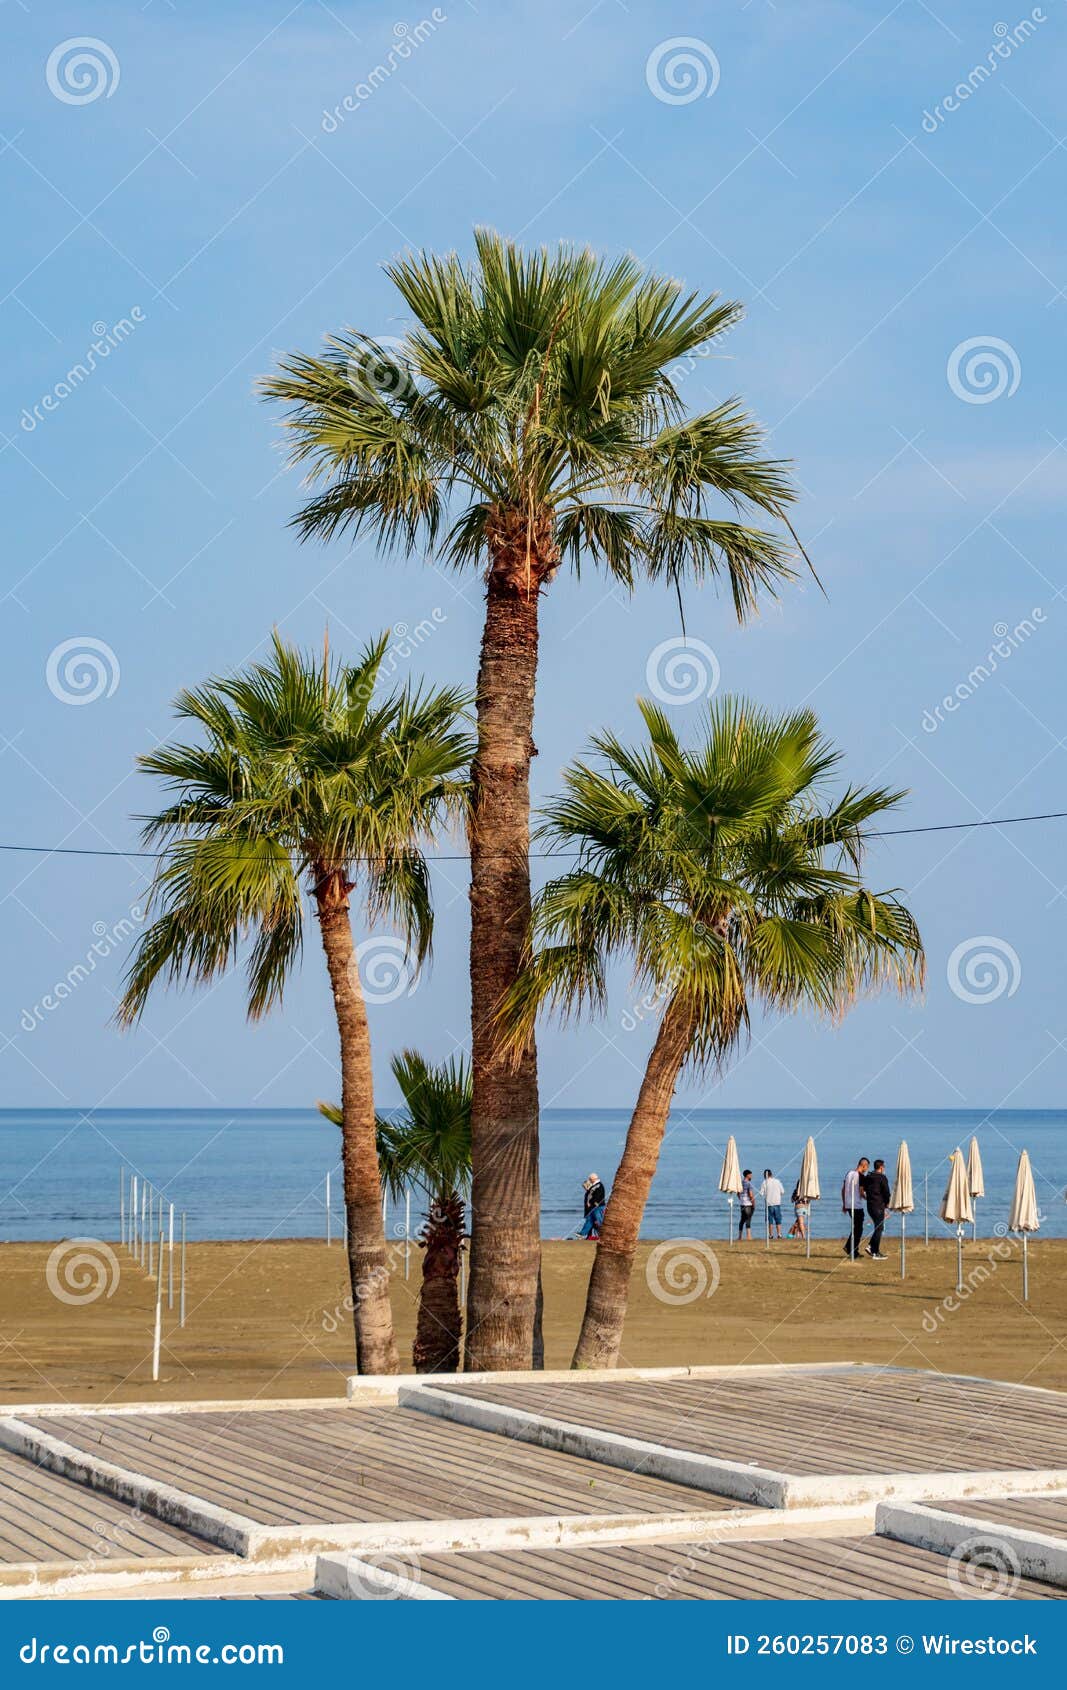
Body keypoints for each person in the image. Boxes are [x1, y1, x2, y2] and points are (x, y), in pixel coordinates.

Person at [842, 1157, 869, 1258]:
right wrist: (868, 1199)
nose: (866, 1169)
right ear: (864, 1165)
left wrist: (844, 1204)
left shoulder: (849, 1173)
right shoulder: (860, 1176)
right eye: (867, 1167)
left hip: (848, 1204)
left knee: (856, 1227)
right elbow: (862, 1192)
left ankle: (850, 1247)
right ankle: (852, 1249)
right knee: (858, 1229)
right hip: (856, 1205)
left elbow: (843, 1189)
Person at [864, 1158, 891, 1260]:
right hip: (878, 1206)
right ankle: (874, 1251)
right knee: (879, 1228)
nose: (884, 1169)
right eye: (883, 1167)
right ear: (881, 1167)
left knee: (878, 1227)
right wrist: (888, 1204)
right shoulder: (882, 1178)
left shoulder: (869, 1177)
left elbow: (866, 1189)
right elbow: (886, 1192)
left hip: (870, 1206)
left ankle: (871, 1247)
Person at [578, 1173, 606, 1240]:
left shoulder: (599, 1185)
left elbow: (598, 1195)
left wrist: (594, 1203)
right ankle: (582, 1233)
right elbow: (590, 1195)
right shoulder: (594, 1185)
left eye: (590, 1179)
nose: (589, 1180)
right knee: (589, 1220)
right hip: (592, 1207)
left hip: (597, 1207)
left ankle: (603, 1234)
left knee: (599, 1220)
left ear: (593, 1179)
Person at [760, 1168, 785, 1240]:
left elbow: (761, 1193)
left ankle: (770, 1235)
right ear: (771, 1174)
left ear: (765, 1175)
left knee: (770, 1220)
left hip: (769, 1204)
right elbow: (782, 1192)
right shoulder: (777, 1181)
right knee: (778, 1220)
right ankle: (779, 1234)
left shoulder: (764, 1182)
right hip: (777, 1203)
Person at [738, 1169, 755, 1240]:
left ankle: (740, 1236)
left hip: (742, 1204)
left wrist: (741, 1199)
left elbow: (738, 1193)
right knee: (748, 1219)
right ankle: (749, 1236)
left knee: (742, 1220)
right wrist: (753, 1203)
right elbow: (751, 1194)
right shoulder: (748, 1183)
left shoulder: (740, 1183)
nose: (751, 1176)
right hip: (748, 1204)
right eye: (751, 1175)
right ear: (747, 1175)